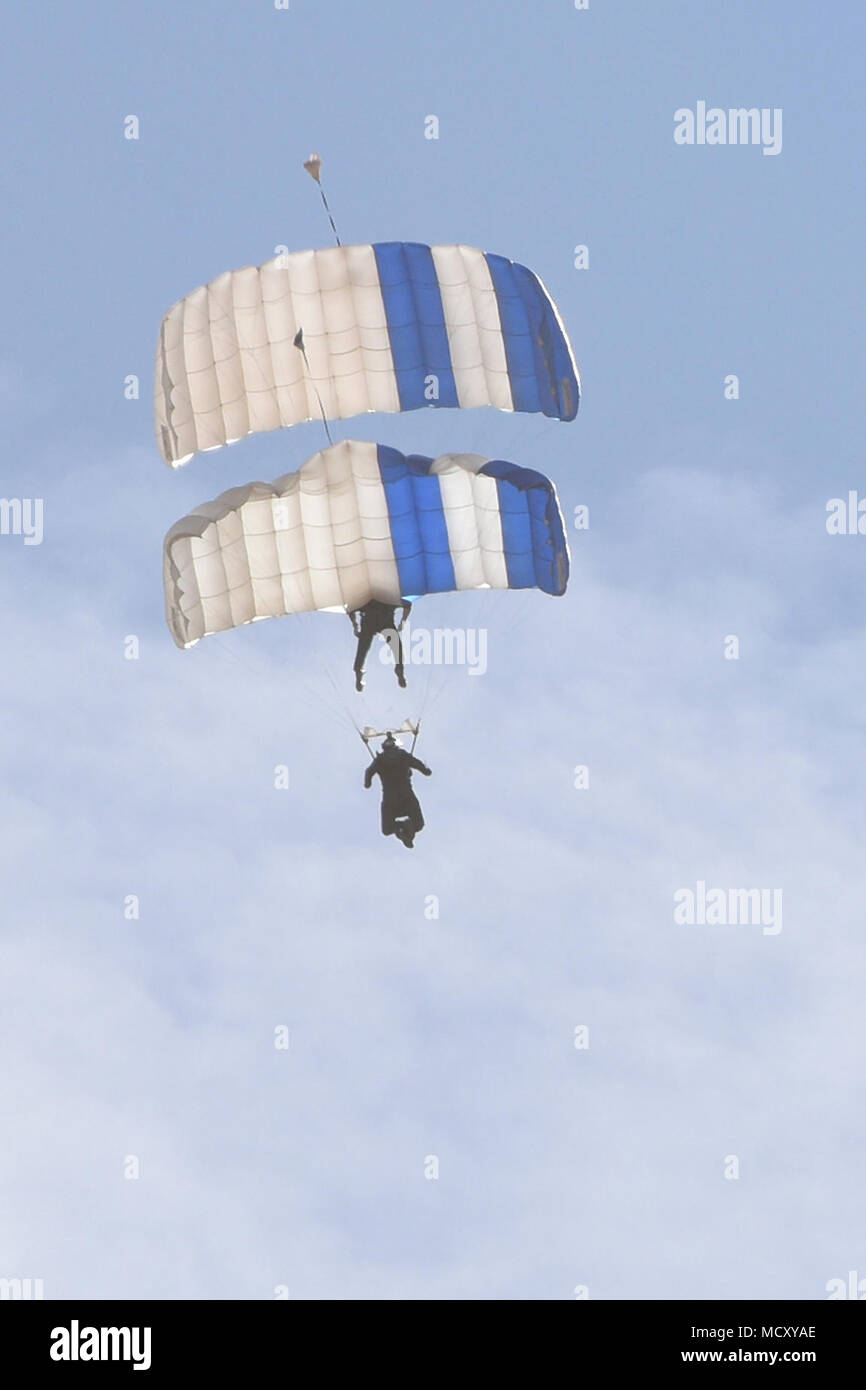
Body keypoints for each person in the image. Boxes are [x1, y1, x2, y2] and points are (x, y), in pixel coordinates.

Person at [364, 733, 431, 848]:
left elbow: (369, 772)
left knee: (387, 829)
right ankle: (405, 829)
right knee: (418, 824)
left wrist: (367, 783)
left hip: (390, 800)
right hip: (407, 797)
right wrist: (426, 771)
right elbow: (417, 764)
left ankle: (401, 830)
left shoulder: (380, 761)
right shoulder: (403, 756)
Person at [348, 599, 412, 692]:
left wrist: (355, 625)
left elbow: (351, 609)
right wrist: (402, 622)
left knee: (362, 649)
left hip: (370, 621)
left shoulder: (366, 599)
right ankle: (399, 669)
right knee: (396, 647)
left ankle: (359, 672)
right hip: (384, 620)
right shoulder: (387, 597)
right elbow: (408, 605)